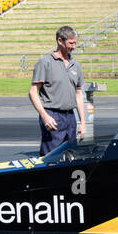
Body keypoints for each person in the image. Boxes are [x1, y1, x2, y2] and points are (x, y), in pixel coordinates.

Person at [29, 25, 85, 155]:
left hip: (70, 117)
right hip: (52, 115)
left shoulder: (76, 66)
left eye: (75, 43)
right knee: (51, 157)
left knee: (71, 156)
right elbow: (33, 92)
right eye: (71, 43)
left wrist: (82, 122)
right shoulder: (45, 63)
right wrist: (45, 116)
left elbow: (79, 95)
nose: (74, 47)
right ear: (60, 41)